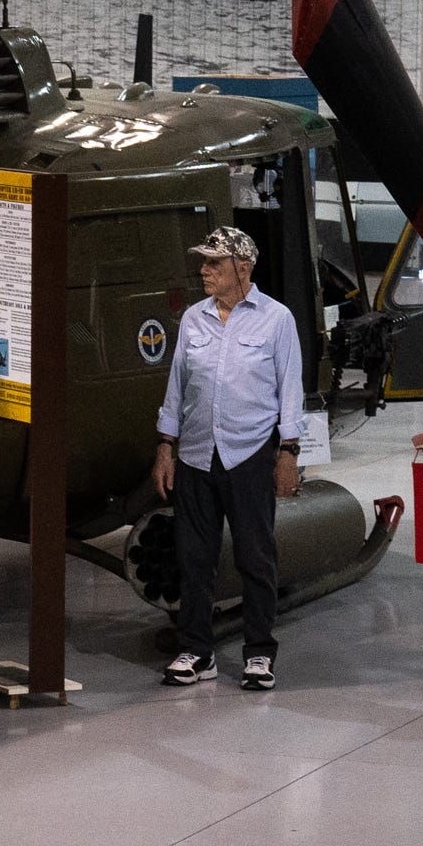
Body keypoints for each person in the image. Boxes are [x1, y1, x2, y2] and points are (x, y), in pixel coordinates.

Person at [151, 222, 303, 690]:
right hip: (196, 456)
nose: (203, 270)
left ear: (243, 267)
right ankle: (197, 652)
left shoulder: (277, 319)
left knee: (255, 557)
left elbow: (290, 391)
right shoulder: (194, 319)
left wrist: (289, 453)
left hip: (250, 454)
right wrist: (165, 446)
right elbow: (177, 387)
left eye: (213, 262)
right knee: (193, 559)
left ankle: (258, 653)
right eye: (204, 262)